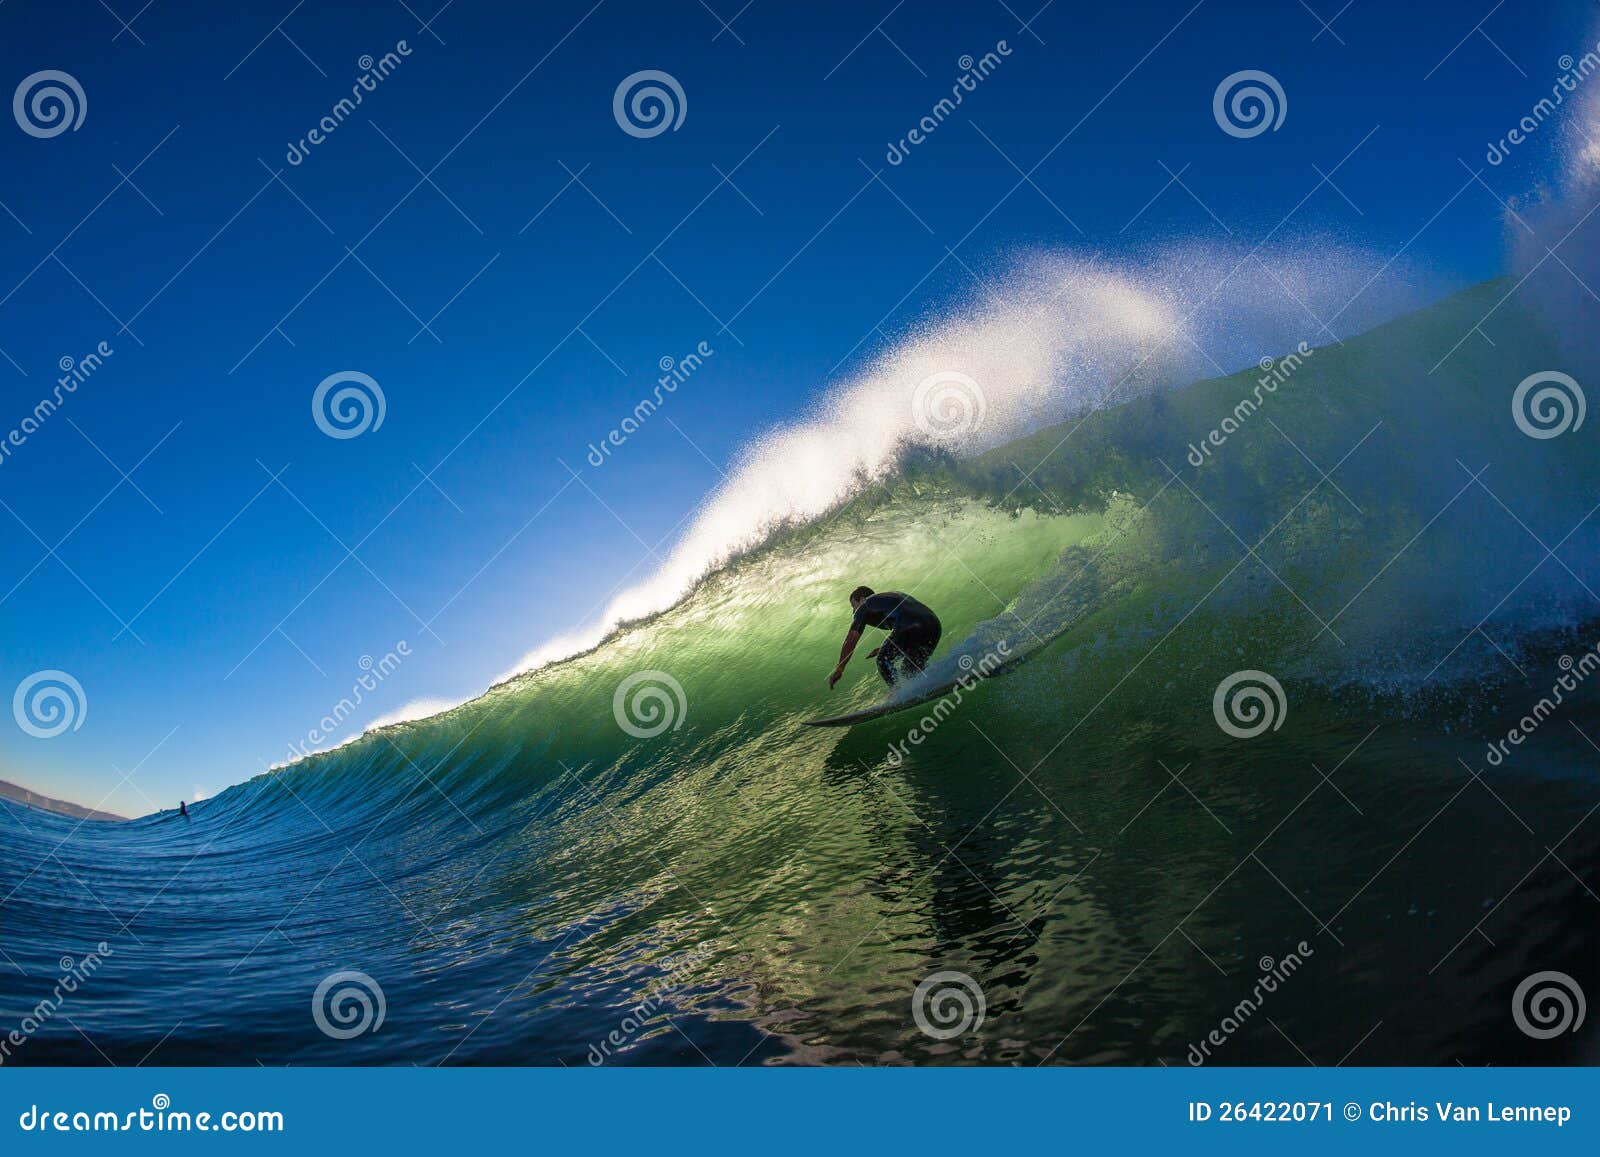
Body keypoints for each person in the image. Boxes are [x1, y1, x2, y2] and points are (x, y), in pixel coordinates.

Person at [828, 586, 942, 689]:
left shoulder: (865, 605)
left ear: (862, 599)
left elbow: (851, 638)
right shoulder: (888, 597)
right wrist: (882, 648)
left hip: (911, 626)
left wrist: (840, 668)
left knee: (883, 660)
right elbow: (903, 627)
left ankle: (898, 694)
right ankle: (940, 680)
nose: (854, 611)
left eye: (853, 605)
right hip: (933, 625)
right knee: (910, 668)